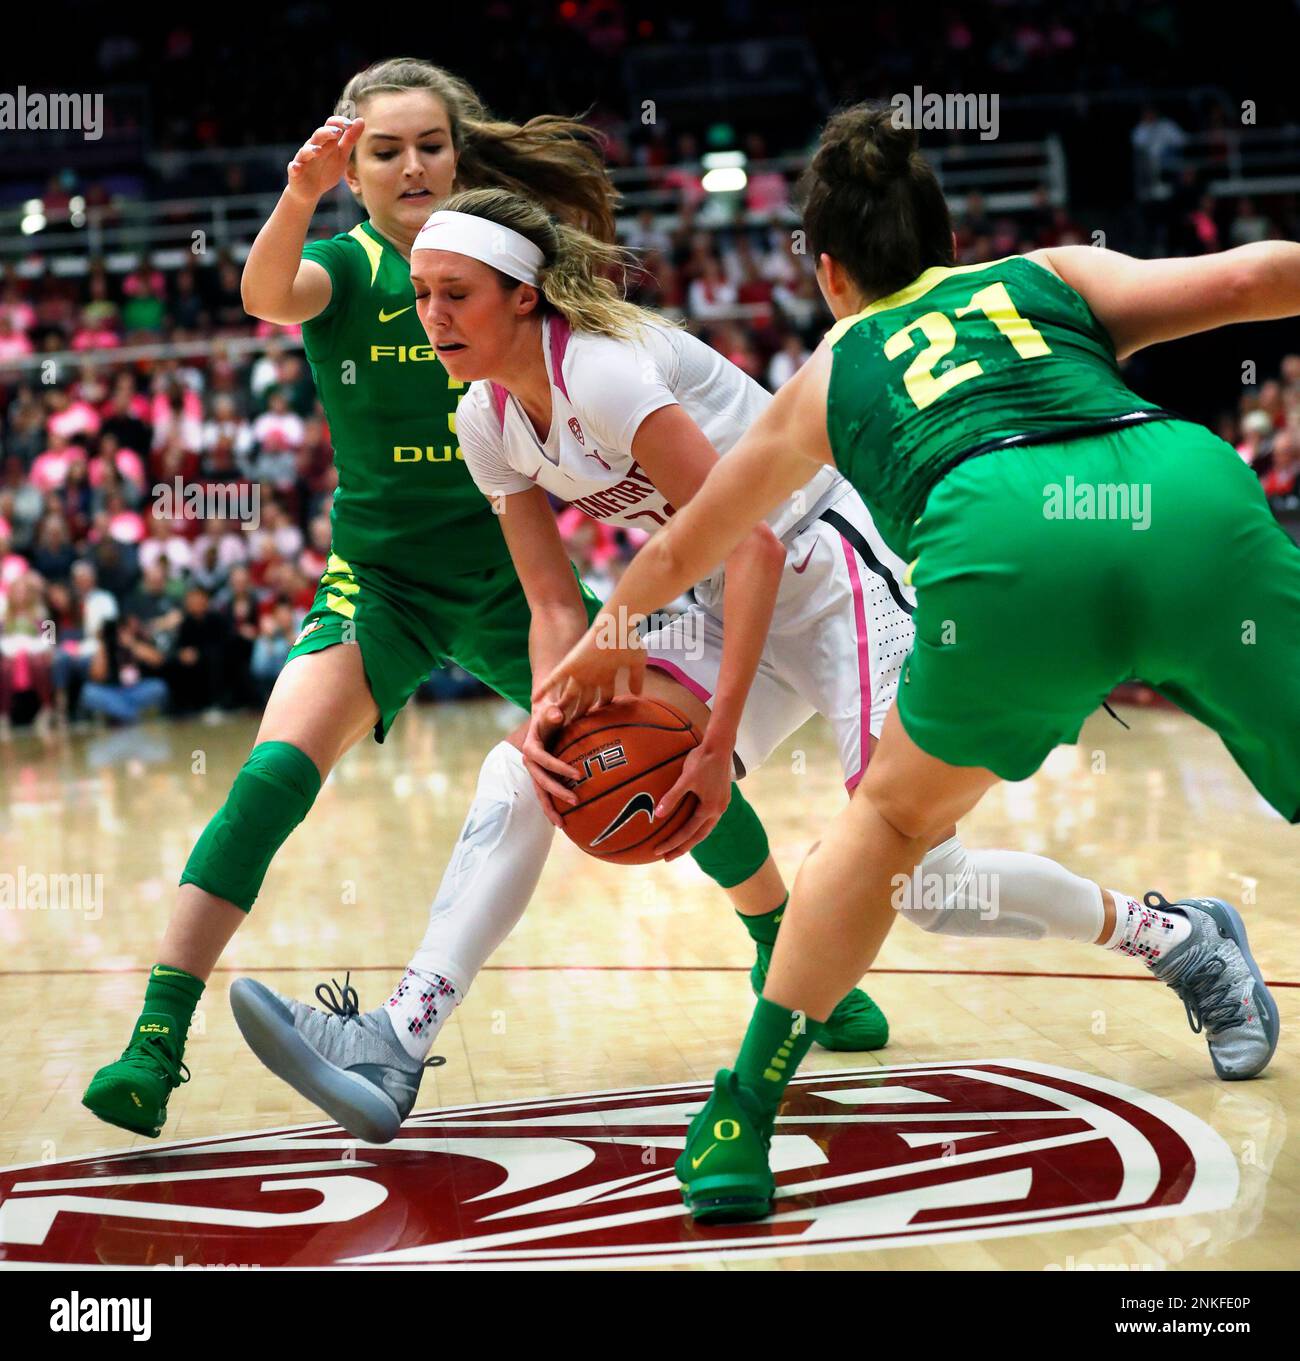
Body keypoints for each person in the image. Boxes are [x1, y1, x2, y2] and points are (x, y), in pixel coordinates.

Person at [538, 104, 1298, 1221]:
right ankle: (1180, 940)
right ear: (945, 236)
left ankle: (743, 1114)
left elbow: (694, 538)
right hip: (1188, 495)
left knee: (890, 830)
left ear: (828, 269)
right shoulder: (1046, 273)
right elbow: (1247, 284)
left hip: (1007, 547)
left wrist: (608, 633)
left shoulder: (832, 368)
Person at [81, 58, 847, 1147]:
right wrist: (299, 192)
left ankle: (781, 938)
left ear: (461, 154)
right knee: (268, 776)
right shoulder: (343, 267)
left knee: (629, 741)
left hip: (508, 580)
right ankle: (158, 1036)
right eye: (383, 149)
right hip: (379, 581)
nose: (408, 165)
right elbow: (261, 295)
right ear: (354, 167)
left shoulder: (509, 273)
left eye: (429, 145)